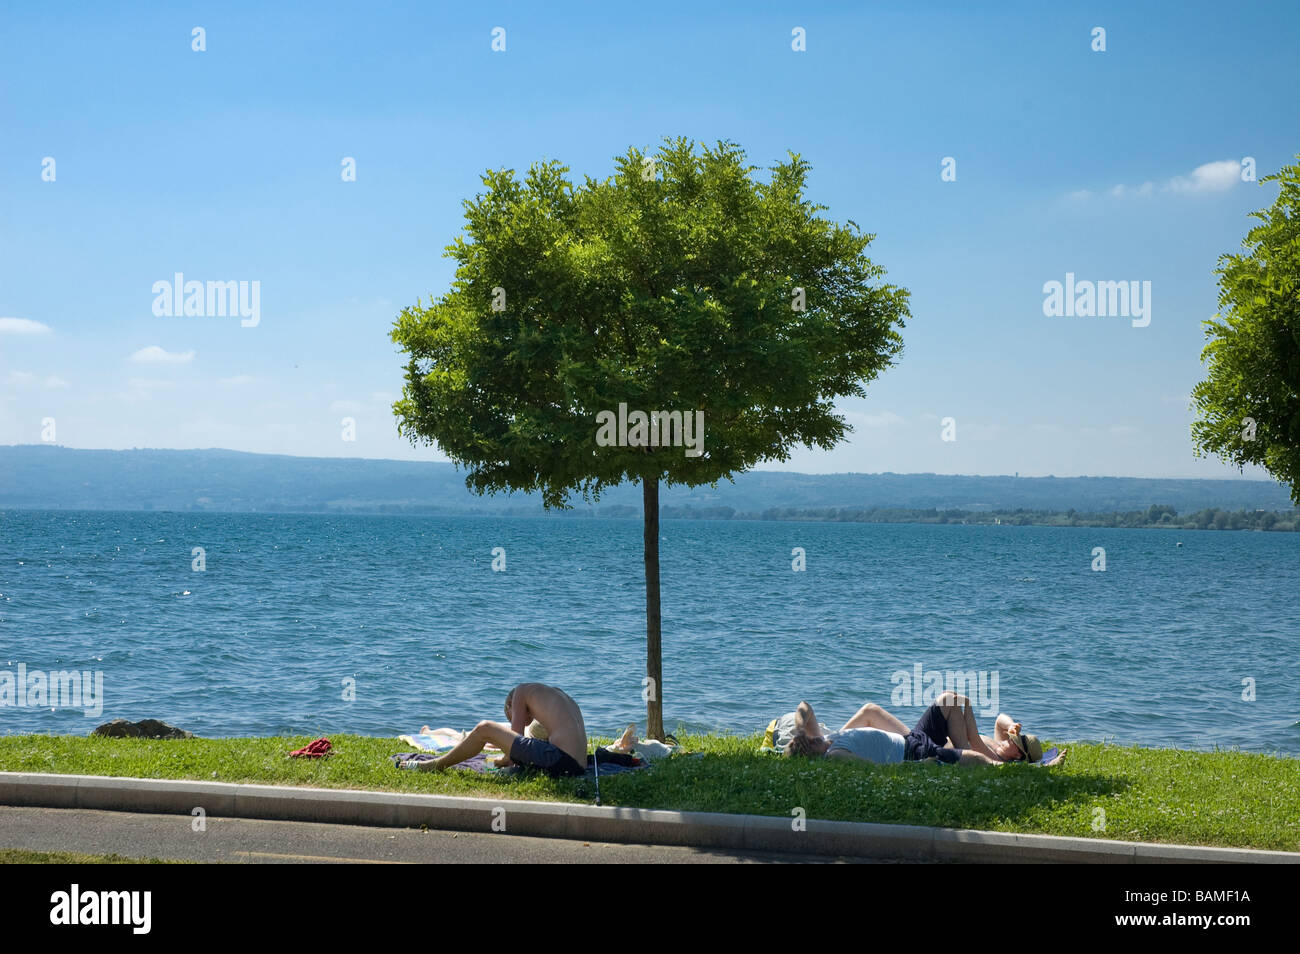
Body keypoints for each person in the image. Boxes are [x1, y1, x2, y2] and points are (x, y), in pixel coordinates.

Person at [783, 693, 1064, 766]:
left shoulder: (829, 740)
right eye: (815, 739)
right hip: (914, 747)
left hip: (914, 741)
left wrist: (798, 731)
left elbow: (804, 707)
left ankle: (971, 748)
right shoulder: (834, 754)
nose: (818, 736)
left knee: (954, 701)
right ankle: (972, 749)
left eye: (1020, 739)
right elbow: (878, 770)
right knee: (951, 702)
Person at [406, 683, 589, 777]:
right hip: (581, 766)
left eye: (511, 717)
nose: (524, 723)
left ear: (510, 706)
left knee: (485, 728)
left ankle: (434, 765)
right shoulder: (555, 694)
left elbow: (514, 744)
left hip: (561, 761)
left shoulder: (521, 691)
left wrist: (502, 761)